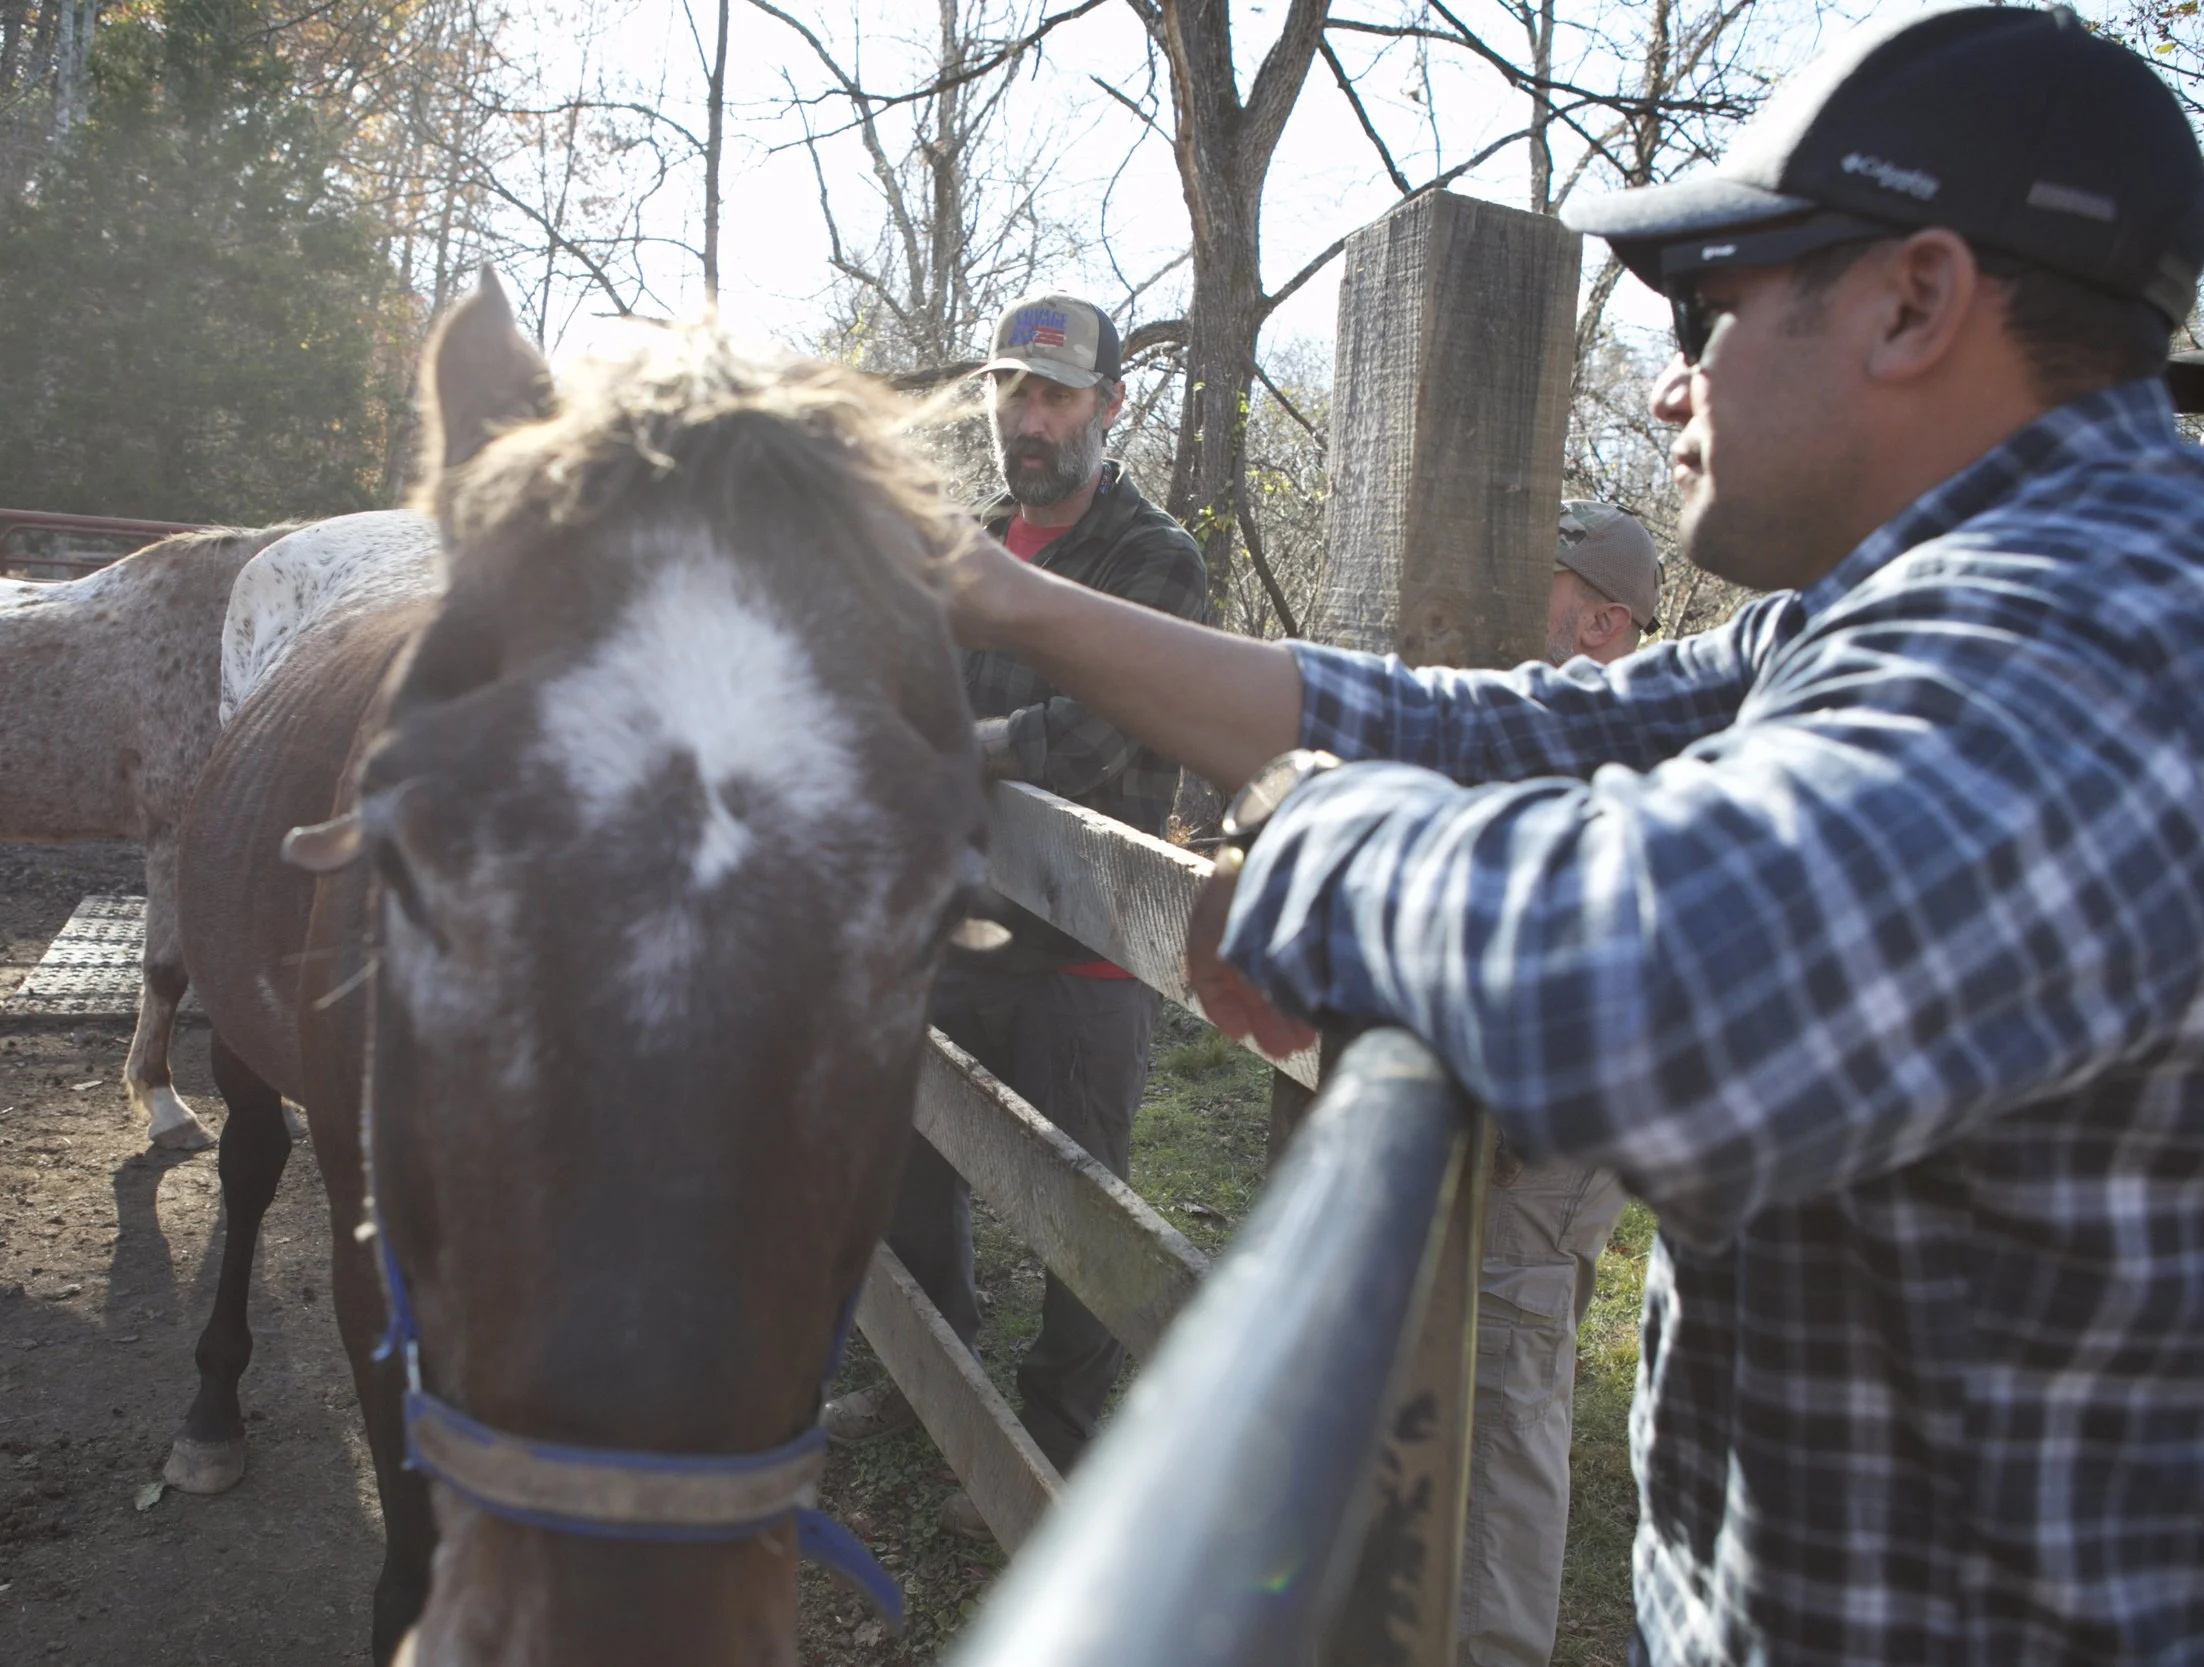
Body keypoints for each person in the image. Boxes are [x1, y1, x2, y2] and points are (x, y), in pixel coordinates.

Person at [936, 9, 2204, 1661]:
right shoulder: (1883, 615)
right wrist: (1021, 607)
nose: (1676, 378)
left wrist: (1320, 849)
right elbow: (1493, 725)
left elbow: (1644, 980)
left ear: (1916, 300)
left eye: (1714, 298)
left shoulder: (2112, 638)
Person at [822, 294, 1208, 1538]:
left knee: (1080, 1207)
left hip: (1086, 947)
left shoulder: (1153, 559)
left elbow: (1115, 734)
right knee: (915, 1155)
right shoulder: (972, 542)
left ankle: (1053, 1436)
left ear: (1108, 404)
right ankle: (935, 1377)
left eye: (1053, 395)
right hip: (949, 919)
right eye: (1010, 392)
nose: (1026, 420)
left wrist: (963, 742)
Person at [1459, 502, 1654, 1667]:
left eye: (1546, 586)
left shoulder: (1631, 743)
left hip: (1551, 1134)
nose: (1520, 608)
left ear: (1601, 620)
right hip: (1524, 1118)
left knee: (1510, 1393)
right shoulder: (1564, 725)